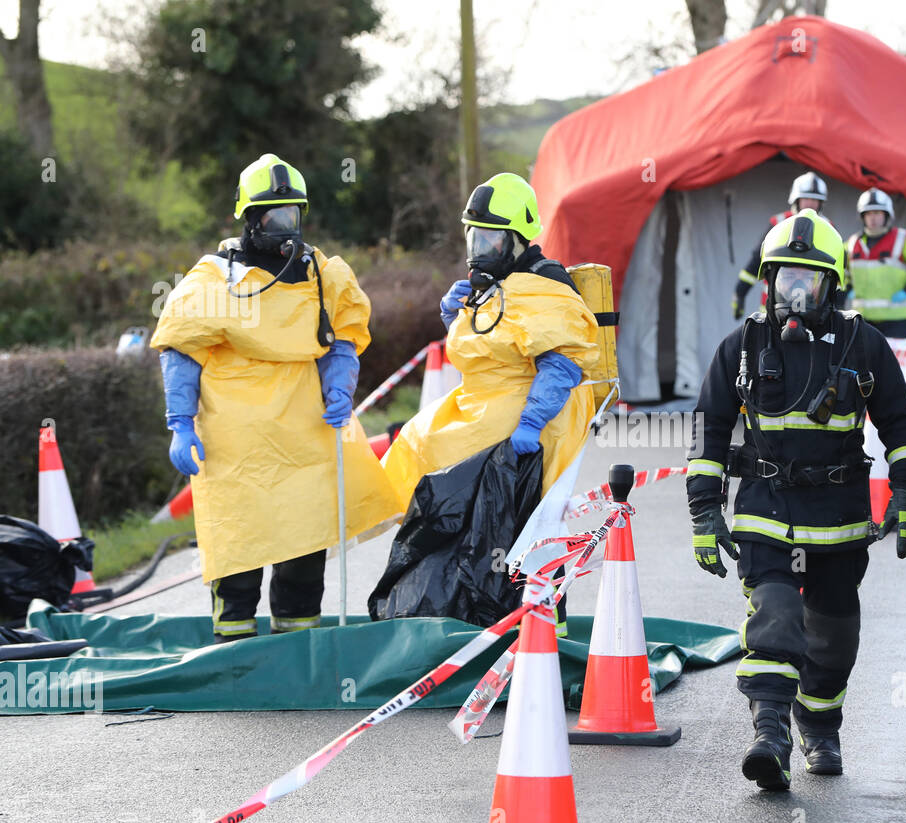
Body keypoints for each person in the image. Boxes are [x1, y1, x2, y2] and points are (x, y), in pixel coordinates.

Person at [688, 210, 906, 791]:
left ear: (830, 286)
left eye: (808, 281)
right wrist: (703, 511)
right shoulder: (742, 346)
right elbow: (708, 431)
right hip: (765, 510)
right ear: (768, 282)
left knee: (834, 638)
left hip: (840, 520)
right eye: (784, 281)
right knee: (775, 614)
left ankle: (819, 728)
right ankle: (769, 735)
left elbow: (900, 423)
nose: (794, 294)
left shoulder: (862, 344)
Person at [152, 153, 400, 640]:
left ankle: (297, 646)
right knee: (238, 547)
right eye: (273, 214)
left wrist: (339, 385)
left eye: (292, 213)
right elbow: (181, 351)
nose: (285, 225)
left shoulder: (322, 275)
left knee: (304, 544)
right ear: (248, 218)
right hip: (235, 444)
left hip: (305, 435)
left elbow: (342, 338)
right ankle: (235, 649)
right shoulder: (211, 281)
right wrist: (180, 423)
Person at [382, 172, 599, 505]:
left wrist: (531, 422)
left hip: (530, 419)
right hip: (486, 405)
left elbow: (562, 366)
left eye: (490, 239)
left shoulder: (544, 285)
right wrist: (456, 321)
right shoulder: (500, 285)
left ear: (518, 239)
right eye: (475, 238)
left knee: (446, 463)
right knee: (416, 441)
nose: (480, 250)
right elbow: (494, 349)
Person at [841, 189, 906, 340]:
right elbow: (841, 273)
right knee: (862, 363)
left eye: (877, 213)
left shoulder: (903, 239)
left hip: (897, 321)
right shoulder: (851, 244)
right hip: (861, 320)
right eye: (868, 214)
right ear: (862, 217)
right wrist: (846, 289)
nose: (873, 218)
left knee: (895, 363)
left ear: (887, 215)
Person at [732, 172, 829, 319]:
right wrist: (740, 292)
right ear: (796, 200)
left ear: (821, 203)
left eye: (815, 200)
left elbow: (835, 270)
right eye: (806, 198)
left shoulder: (828, 229)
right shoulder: (778, 223)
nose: (810, 203)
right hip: (774, 303)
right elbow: (757, 260)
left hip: (813, 305)